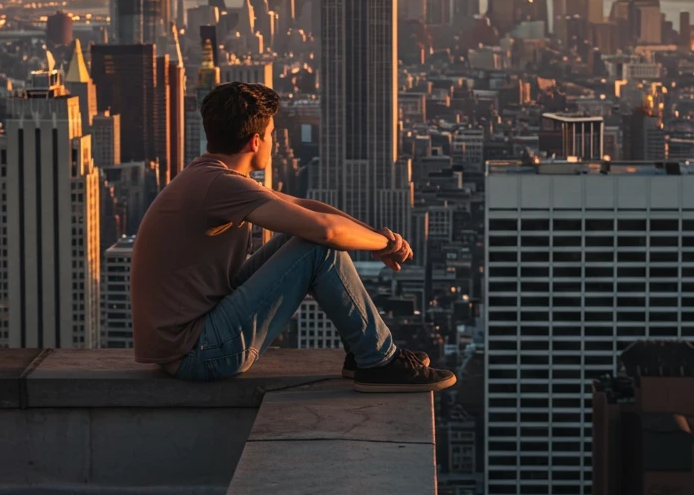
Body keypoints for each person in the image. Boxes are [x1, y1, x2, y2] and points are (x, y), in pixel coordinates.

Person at [131, 81, 456, 393]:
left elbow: (303, 206)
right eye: (272, 134)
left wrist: (374, 235)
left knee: (298, 240)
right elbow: (326, 231)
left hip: (189, 344)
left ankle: (365, 353)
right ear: (255, 142)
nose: (274, 142)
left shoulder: (210, 177)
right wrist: (384, 246)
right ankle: (378, 360)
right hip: (200, 353)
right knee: (319, 249)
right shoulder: (220, 185)